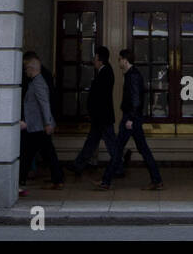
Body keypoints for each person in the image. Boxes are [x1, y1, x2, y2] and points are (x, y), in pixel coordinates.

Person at [95, 49, 163, 191]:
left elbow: (136, 99)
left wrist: (131, 118)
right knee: (142, 149)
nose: (118, 61)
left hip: (131, 118)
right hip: (133, 117)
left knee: (118, 148)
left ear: (125, 60)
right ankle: (157, 180)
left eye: (120, 59)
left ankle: (106, 181)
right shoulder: (132, 74)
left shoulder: (132, 76)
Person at [70, 45, 121, 178]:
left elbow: (99, 97)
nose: (93, 60)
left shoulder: (105, 73)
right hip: (101, 116)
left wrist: (92, 112)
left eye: (95, 57)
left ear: (100, 59)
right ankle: (78, 164)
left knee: (109, 143)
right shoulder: (105, 71)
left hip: (102, 116)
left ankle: (118, 167)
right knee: (92, 142)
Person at [20, 54, 64, 193]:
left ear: (31, 68)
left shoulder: (38, 83)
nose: (25, 71)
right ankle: (57, 179)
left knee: (29, 153)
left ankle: (20, 180)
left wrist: (47, 123)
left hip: (38, 127)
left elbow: (44, 104)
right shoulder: (37, 81)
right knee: (43, 153)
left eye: (25, 68)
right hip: (38, 126)